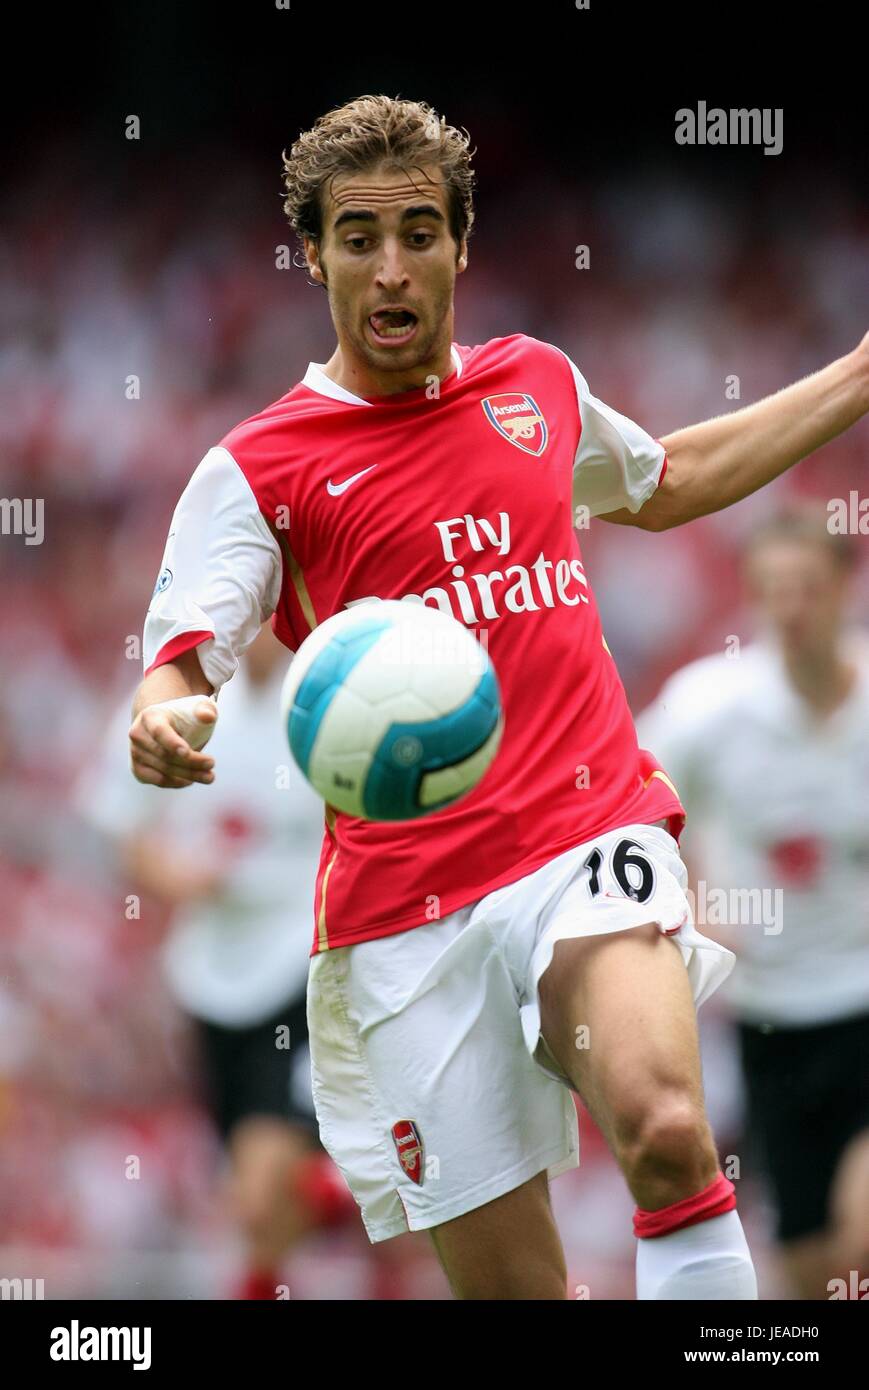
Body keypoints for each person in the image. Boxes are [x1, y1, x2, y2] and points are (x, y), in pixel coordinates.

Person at [127, 94, 869, 1300]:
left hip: (585, 836)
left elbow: (665, 479)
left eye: (420, 232)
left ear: (460, 245)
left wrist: (853, 376)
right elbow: (181, 656)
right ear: (311, 254)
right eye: (358, 239)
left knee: (668, 1128)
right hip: (405, 915)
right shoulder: (256, 467)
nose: (391, 266)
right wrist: (162, 713)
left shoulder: (536, 384)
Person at [81, 625, 357, 1297]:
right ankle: (336, 1191)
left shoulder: (334, 702)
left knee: (261, 1195)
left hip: (306, 964)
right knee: (256, 1210)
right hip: (211, 978)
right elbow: (120, 821)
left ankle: (346, 1178)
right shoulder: (177, 700)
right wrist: (175, 876)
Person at [637, 505, 869, 1299]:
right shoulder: (709, 708)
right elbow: (628, 809)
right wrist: (692, 903)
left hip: (864, 994)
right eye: (773, 591)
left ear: (844, 587)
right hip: (772, 1016)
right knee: (810, 1269)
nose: (791, 609)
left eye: (806, 588)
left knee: (859, 1233)